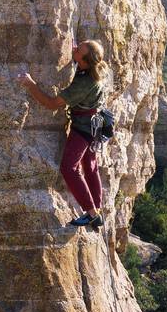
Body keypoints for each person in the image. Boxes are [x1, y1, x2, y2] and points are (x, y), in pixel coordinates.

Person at [16, 39, 109, 229]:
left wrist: (30, 84)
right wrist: (75, 48)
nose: (74, 49)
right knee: (90, 167)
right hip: (95, 126)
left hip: (83, 129)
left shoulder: (84, 84)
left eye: (77, 50)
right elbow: (81, 55)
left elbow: (51, 104)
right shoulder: (94, 69)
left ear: (83, 60)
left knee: (69, 168)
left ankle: (92, 214)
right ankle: (96, 210)